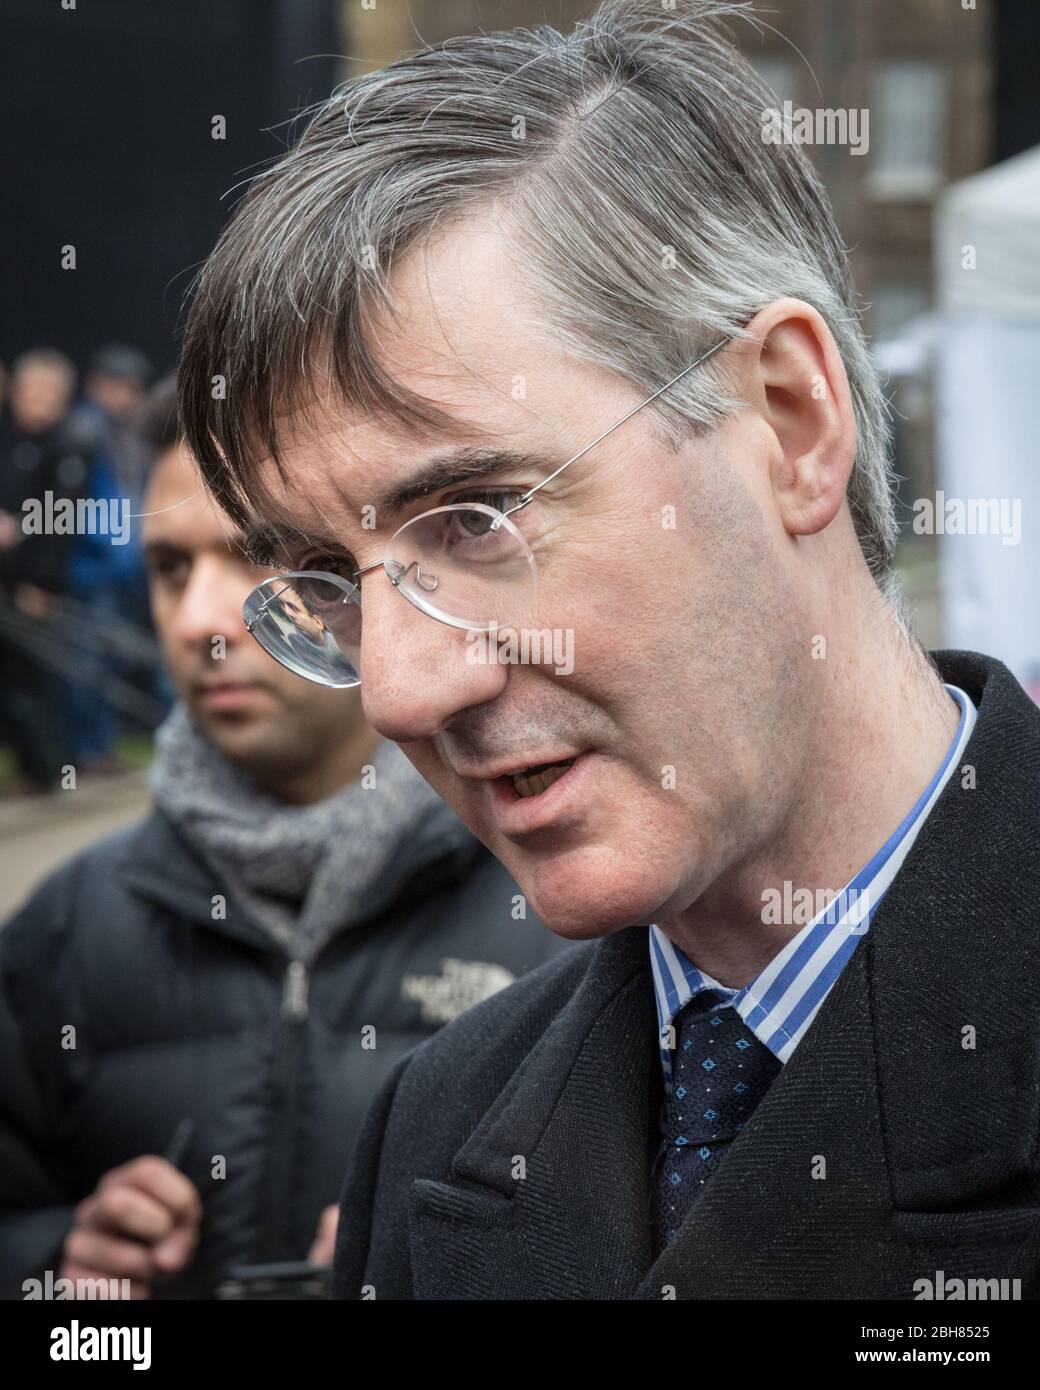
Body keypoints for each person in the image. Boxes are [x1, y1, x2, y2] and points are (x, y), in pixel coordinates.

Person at [176, 0, 1040, 1300]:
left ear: (791, 421)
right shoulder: (441, 1119)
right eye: (321, 581)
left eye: (475, 517)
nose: (403, 686)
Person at [0, 375, 570, 1300]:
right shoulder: (63, 930)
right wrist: (61, 1267)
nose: (199, 625)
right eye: (171, 570)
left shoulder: (564, 902)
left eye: (252, 559)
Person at [0, 349, 93, 792]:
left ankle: (54, 768)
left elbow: (62, 522)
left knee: (43, 680)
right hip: (6, 582)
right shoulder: (10, 440)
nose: (36, 400)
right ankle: (31, 768)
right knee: (15, 680)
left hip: (43, 586)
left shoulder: (68, 446)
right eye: (30, 390)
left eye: (47, 393)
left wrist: (41, 581)